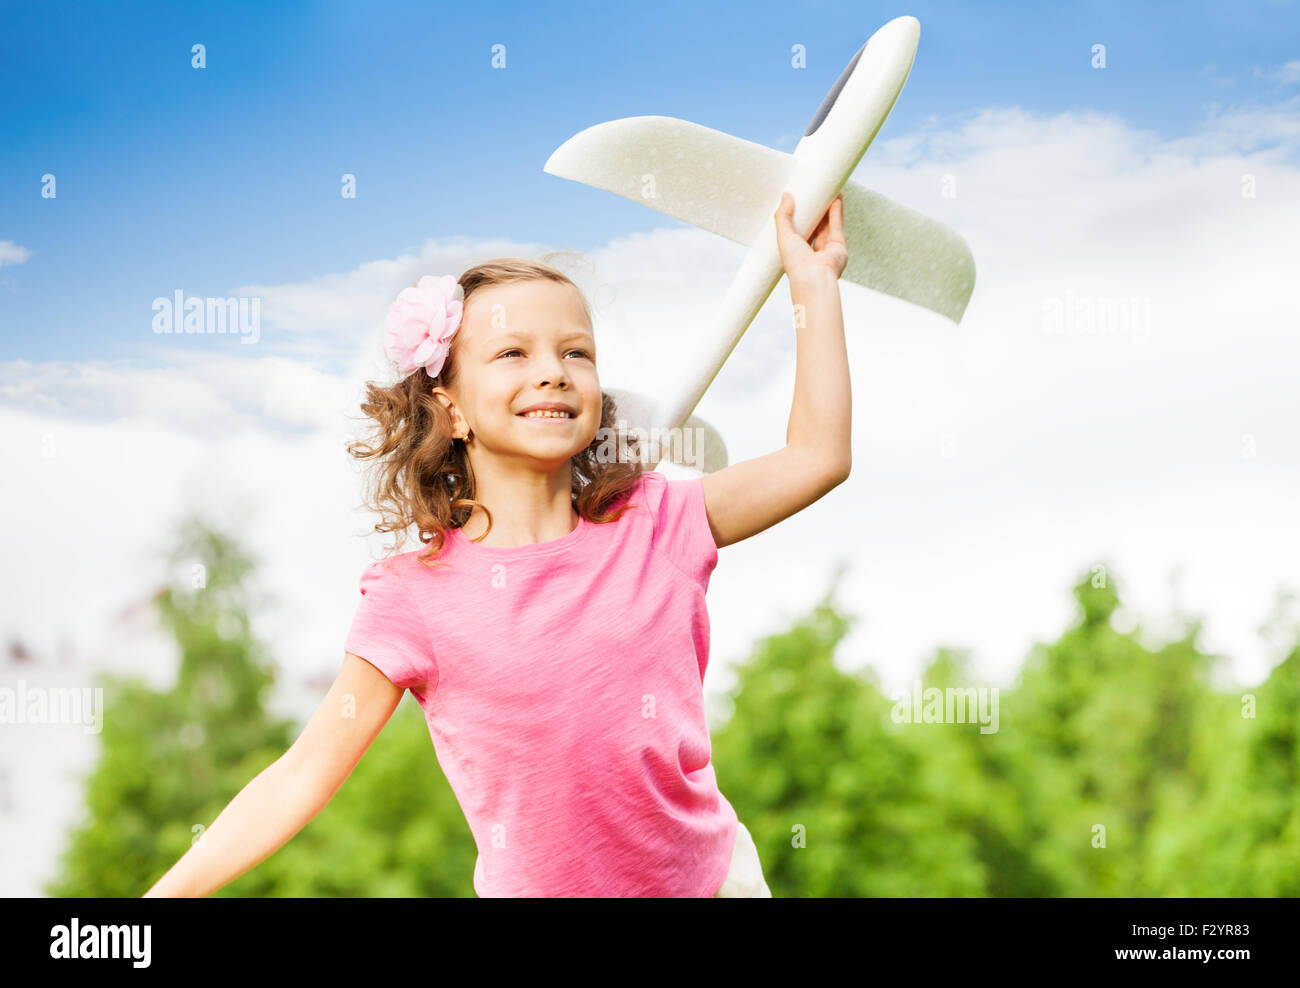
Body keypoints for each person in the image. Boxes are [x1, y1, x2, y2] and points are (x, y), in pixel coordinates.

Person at [144, 191, 849, 898]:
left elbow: (818, 457)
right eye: (513, 352)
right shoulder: (413, 596)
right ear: (449, 406)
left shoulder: (658, 523)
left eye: (577, 352)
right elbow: (301, 775)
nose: (553, 370)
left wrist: (813, 286)